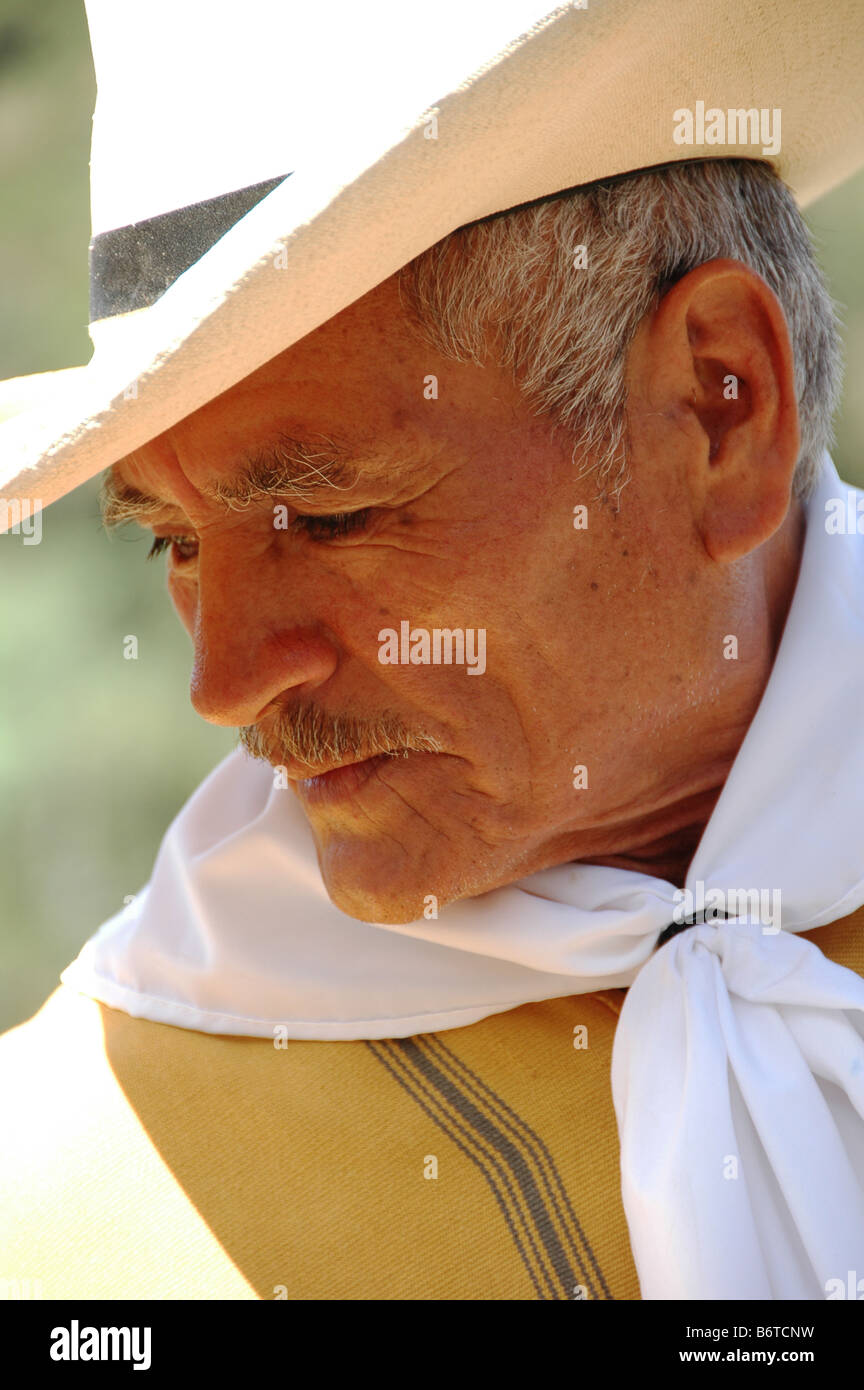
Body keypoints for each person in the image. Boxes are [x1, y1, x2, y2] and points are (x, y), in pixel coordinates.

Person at [1, 0, 863, 1301]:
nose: (224, 680)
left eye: (334, 516)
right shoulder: (60, 1226)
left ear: (719, 406)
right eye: (168, 541)